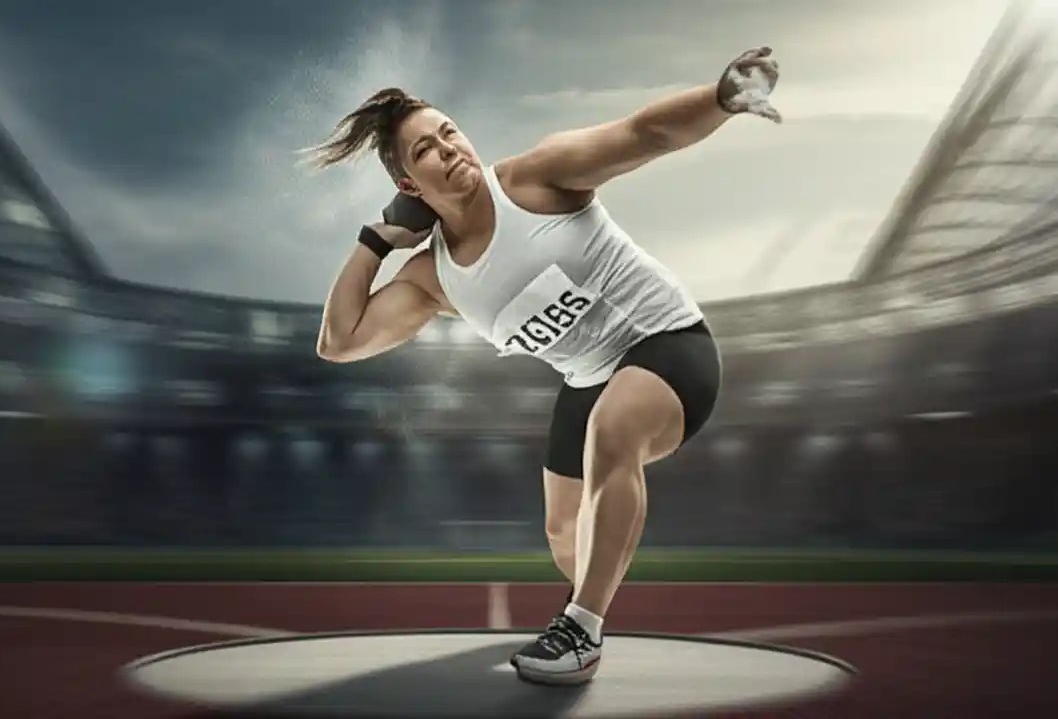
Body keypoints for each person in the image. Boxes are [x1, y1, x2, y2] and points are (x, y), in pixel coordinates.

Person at [307, 47, 781, 685]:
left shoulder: (535, 179)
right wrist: (375, 240)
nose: (448, 148)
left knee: (609, 433)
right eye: (425, 150)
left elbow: (644, 134)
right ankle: (589, 601)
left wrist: (722, 99)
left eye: (449, 132)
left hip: (668, 343)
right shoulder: (435, 280)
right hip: (586, 379)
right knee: (565, 537)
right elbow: (339, 342)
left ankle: (580, 631)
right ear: (408, 187)